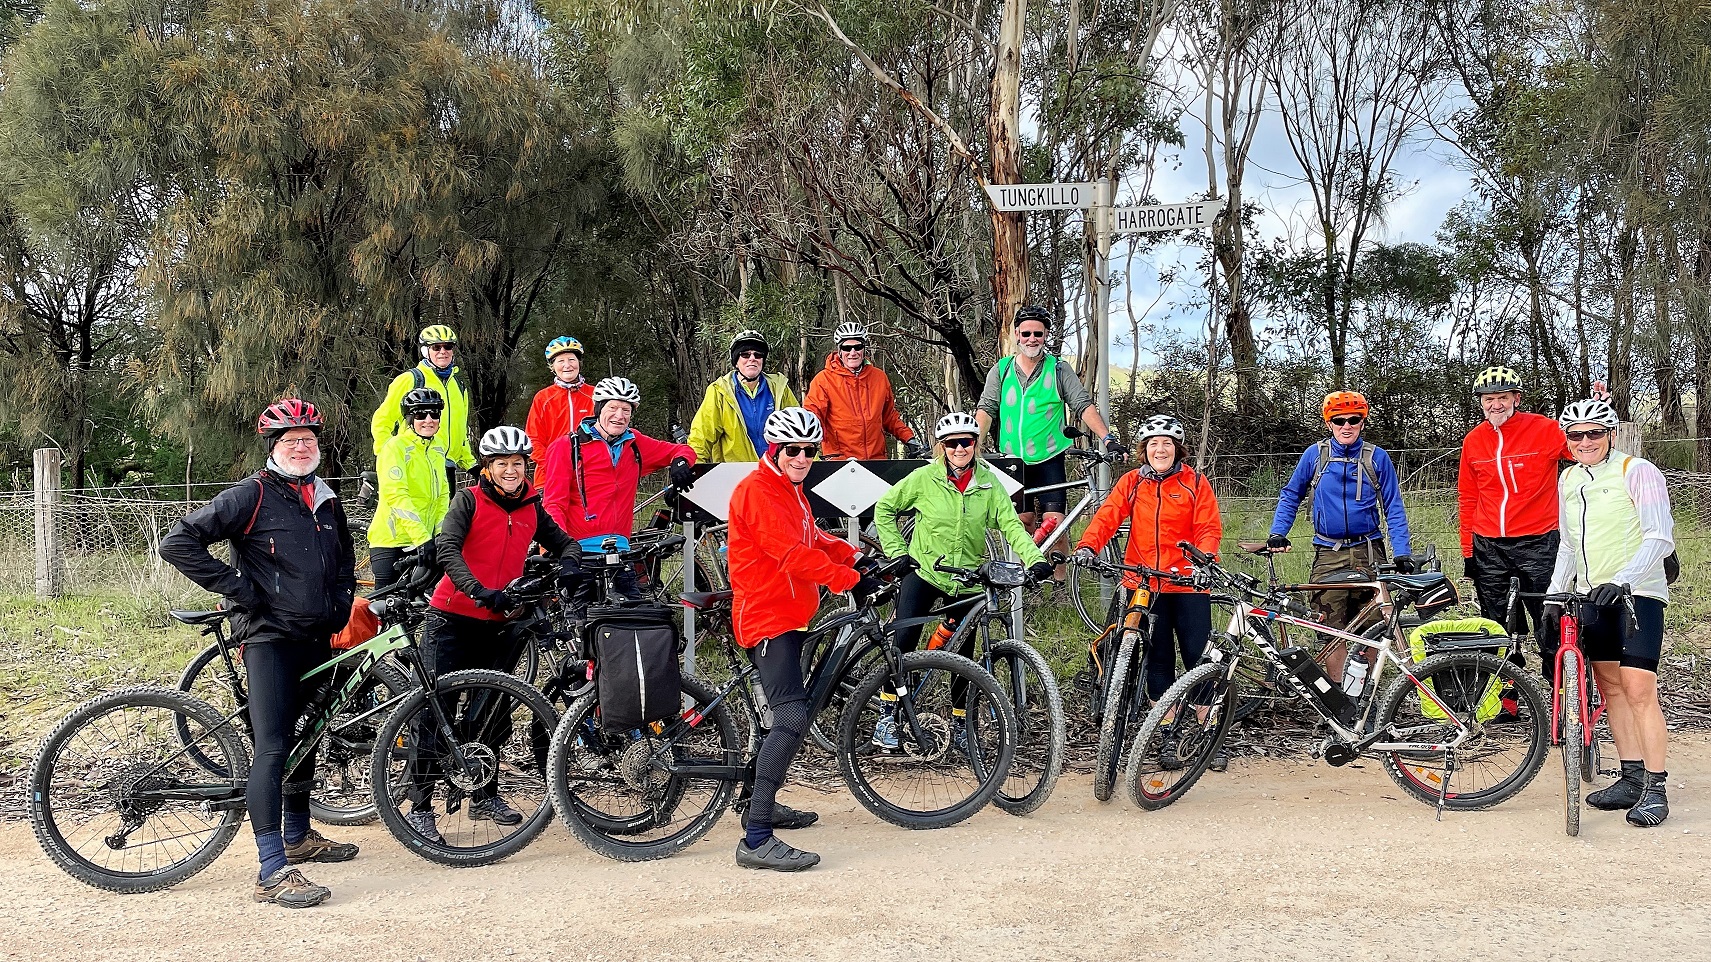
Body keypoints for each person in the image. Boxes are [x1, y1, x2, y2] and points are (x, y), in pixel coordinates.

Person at [160, 399, 358, 909]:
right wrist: (240, 590)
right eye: (290, 440)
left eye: (308, 439)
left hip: (315, 634)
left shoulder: (325, 498)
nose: (301, 446)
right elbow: (178, 542)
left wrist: (340, 603)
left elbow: (343, 560)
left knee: (307, 736)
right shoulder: (251, 494)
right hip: (269, 638)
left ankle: (298, 836)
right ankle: (271, 868)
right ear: (273, 447)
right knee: (272, 747)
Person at [407, 426, 582, 844]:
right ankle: (420, 807)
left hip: (501, 623)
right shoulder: (467, 500)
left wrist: (571, 564)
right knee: (434, 713)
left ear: (526, 467)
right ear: (487, 467)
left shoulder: (531, 506)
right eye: (501, 463)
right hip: (452, 619)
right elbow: (448, 550)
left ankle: (484, 796)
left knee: (491, 712)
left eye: (517, 463)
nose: (510, 470)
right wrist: (477, 590)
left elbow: (566, 543)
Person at [726, 407, 875, 871]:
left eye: (810, 451)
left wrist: (856, 557)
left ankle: (761, 803)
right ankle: (756, 838)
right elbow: (791, 555)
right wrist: (848, 580)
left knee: (785, 718)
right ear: (775, 450)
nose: (802, 458)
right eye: (793, 450)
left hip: (790, 616)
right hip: (766, 618)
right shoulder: (758, 491)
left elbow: (812, 538)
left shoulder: (789, 489)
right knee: (791, 716)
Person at [873, 411, 1052, 747]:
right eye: (952, 443)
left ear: (975, 444)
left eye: (966, 442)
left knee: (964, 656)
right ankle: (887, 716)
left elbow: (1011, 525)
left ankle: (961, 725)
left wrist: (1036, 559)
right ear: (942, 446)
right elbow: (884, 508)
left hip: (966, 577)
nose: (959, 448)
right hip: (925, 571)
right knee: (904, 640)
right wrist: (898, 552)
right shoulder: (924, 478)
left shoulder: (987, 482)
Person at [1548, 398, 1675, 827]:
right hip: (1592, 596)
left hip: (1638, 593)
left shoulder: (1637, 471)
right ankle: (1631, 777)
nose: (1585, 441)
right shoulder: (1568, 478)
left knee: (1639, 689)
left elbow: (1660, 537)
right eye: (1576, 435)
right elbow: (1568, 545)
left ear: (1612, 434)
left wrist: (1623, 580)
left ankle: (1656, 789)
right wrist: (1554, 595)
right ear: (1567, 441)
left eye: (1594, 433)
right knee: (1612, 689)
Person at [1073, 415, 1222, 703]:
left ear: (1177, 449)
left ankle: (1207, 720)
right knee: (1157, 656)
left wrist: (1204, 561)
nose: (1160, 450)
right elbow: (1107, 517)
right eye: (1153, 443)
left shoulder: (1195, 482)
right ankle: (1162, 721)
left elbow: (1208, 528)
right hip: (1144, 582)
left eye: (1167, 443)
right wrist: (1088, 547)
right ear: (1145, 449)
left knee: (1197, 655)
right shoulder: (1132, 481)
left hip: (1188, 582)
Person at [1267, 391, 1412, 679]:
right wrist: (1278, 532)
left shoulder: (1376, 457)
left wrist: (1402, 551)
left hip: (1368, 551)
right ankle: (1338, 694)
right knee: (1329, 627)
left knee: (1371, 627)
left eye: (1353, 420)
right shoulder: (1315, 455)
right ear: (1329, 423)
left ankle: (1363, 692)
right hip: (1328, 553)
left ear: (1362, 422)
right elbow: (1291, 495)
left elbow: (1393, 506)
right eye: (1339, 420)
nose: (1346, 426)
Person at [537, 377, 696, 597]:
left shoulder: (634, 443)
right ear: (599, 409)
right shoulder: (567, 447)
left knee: (632, 614)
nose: (619, 416)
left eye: (626, 410)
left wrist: (681, 462)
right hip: (579, 551)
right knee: (580, 616)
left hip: (620, 551)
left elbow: (681, 450)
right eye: (612, 408)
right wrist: (559, 550)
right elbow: (554, 504)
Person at [975, 304, 1124, 538]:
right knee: (1021, 523)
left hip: (1049, 459)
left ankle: (1058, 565)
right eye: (1026, 333)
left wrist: (1108, 439)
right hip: (1012, 461)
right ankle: (1026, 563)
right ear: (1017, 334)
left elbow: (1083, 405)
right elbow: (986, 409)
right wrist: (973, 446)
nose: (1032, 339)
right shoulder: (1001, 370)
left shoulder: (1058, 369)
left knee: (1056, 526)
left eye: (1038, 333)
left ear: (1045, 335)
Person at [1457, 365, 1569, 669]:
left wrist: (1599, 414)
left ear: (1516, 398)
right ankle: (1507, 689)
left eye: (1503, 397)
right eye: (1488, 399)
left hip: (1539, 541)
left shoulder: (1544, 429)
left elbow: (1585, 448)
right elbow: (1467, 497)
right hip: (1489, 544)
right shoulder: (1474, 440)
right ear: (1481, 402)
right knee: (1496, 625)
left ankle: (1559, 687)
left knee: (1550, 619)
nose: (1496, 405)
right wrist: (1468, 552)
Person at [802, 321, 927, 461]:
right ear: (839, 350)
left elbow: (889, 416)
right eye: (847, 348)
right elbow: (812, 417)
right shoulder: (823, 380)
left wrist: (909, 438)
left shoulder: (879, 377)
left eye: (858, 347)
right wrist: (806, 444)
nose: (853, 353)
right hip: (839, 461)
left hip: (876, 460)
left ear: (864, 348)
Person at [367, 387, 452, 589]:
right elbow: (397, 496)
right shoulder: (395, 447)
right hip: (392, 541)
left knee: (419, 602)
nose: (429, 420)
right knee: (385, 602)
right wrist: (422, 538)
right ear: (410, 419)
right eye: (421, 415)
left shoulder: (437, 447)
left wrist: (440, 534)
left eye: (434, 414)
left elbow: (442, 495)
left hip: (425, 540)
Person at [372, 324, 476, 486]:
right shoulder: (410, 379)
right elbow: (382, 421)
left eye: (448, 346)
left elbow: (460, 432)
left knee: (444, 504)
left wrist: (471, 464)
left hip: (447, 466)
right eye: (436, 347)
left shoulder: (458, 386)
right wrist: (388, 457)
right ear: (425, 351)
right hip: (416, 464)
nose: (443, 351)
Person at [687, 329, 800, 463]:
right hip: (736, 472)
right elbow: (701, 436)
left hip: (775, 469)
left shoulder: (779, 388)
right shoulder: (719, 391)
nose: (752, 358)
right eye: (745, 354)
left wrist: (814, 465)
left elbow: (800, 431)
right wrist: (692, 465)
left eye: (758, 354)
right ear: (736, 361)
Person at [524, 335, 595, 463]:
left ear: (579, 362)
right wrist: (551, 464)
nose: (567, 365)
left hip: (588, 469)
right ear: (553, 366)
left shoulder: (595, 395)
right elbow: (533, 439)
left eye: (571, 359)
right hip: (550, 468)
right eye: (561, 361)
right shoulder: (543, 397)